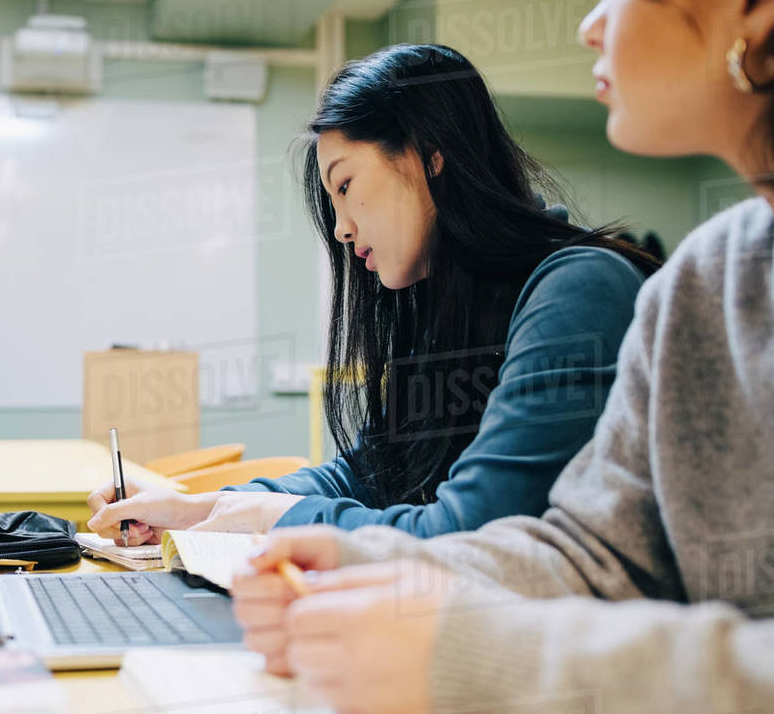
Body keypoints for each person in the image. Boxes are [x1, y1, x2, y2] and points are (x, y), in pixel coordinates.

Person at [231, 0, 774, 712]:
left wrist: (472, 653)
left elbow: (492, 531)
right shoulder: (705, 277)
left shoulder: (586, 285)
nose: (591, 24)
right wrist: (347, 561)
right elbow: (594, 555)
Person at [88, 44, 659, 544]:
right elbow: (365, 472)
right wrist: (196, 509)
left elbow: (469, 533)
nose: (339, 228)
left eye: (346, 185)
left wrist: (278, 517)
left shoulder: (578, 290)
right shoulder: (447, 311)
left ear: (430, 156)